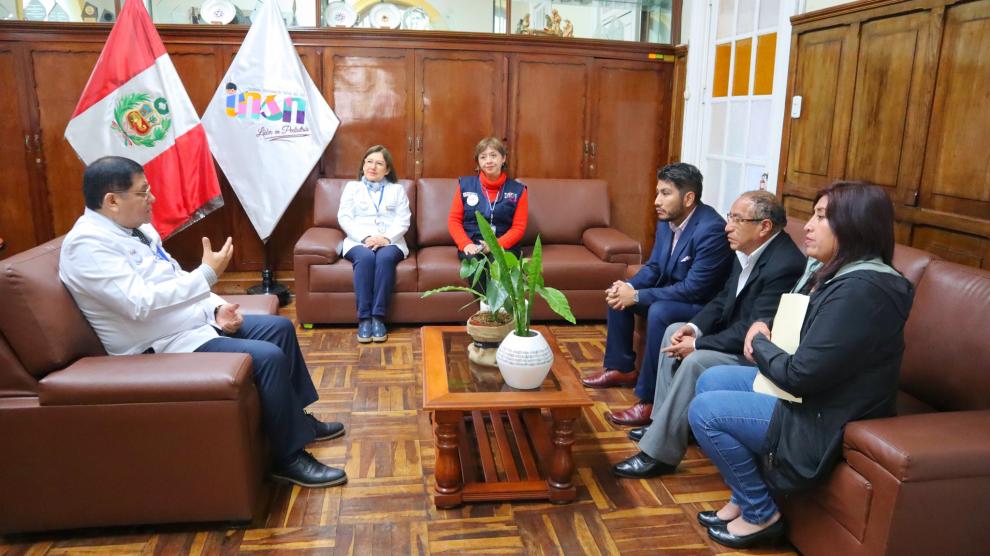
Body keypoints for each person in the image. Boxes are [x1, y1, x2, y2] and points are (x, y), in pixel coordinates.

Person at [59, 156, 347, 489]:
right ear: (111, 201)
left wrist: (216, 309)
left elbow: (173, 277)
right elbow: (138, 303)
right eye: (143, 193)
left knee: (279, 329)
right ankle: (289, 458)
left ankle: (297, 421)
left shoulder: (137, 230)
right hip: (156, 344)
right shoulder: (87, 246)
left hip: (185, 324)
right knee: (267, 358)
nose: (152, 199)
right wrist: (207, 275)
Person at [687, 182, 914, 549]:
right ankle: (743, 496)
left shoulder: (863, 290)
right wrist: (768, 333)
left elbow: (799, 375)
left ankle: (761, 514)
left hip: (827, 412)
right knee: (712, 379)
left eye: (821, 217)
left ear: (854, 225)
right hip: (815, 395)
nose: (807, 225)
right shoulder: (838, 274)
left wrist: (759, 342)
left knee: (706, 411)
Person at [612, 191, 805, 478]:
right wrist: (694, 328)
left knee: (695, 360)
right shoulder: (746, 251)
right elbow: (723, 299)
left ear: (764, 227)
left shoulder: (784, 264)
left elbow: (752, 331)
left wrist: (699, 343)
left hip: (753, 352)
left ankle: (659, 454)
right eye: (730, 217)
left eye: (738, 219)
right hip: (730, 334)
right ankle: (662, 424)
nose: (728, 226)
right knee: (673, 331)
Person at [582, 163, 733, 428]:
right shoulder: (669, 220)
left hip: (701, 305)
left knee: (659, 310)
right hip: (671, 293)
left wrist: (638, 296)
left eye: (665, 194)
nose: (656, 201)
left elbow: (694, 289)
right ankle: (622, 368)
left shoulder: (711, 230)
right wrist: (628, 288)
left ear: (688, 198)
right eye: (657, 193)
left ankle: (649, 399)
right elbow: (653, 267)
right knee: (621, 293)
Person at [337, 145, 410, 343]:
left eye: (379, 163)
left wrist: (385, 239)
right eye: (369, 161)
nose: (373, 166)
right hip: (359, 240)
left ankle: (378, 317)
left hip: (390, 241)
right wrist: (365, 238)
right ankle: (364, 319)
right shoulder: (353, 188)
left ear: (387, 169)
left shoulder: (397, 190)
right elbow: (344, 217)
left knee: (385, 258)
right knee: (366, 257)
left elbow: (403, 219)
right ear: (363, 166)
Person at [447, 137, 528, 291]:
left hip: (504, 245)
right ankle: (486, 310)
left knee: (497, 262)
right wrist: (466, 244)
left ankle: (497, 312)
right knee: (476, 264)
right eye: (483, 157)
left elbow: (519, 228)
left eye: (493, 155)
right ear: (478, 163)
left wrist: (494, 246)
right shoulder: (465, 185)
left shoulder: (518, 190)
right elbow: (454, 220)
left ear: (503, 158)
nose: (488, 161)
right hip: (472, 244)